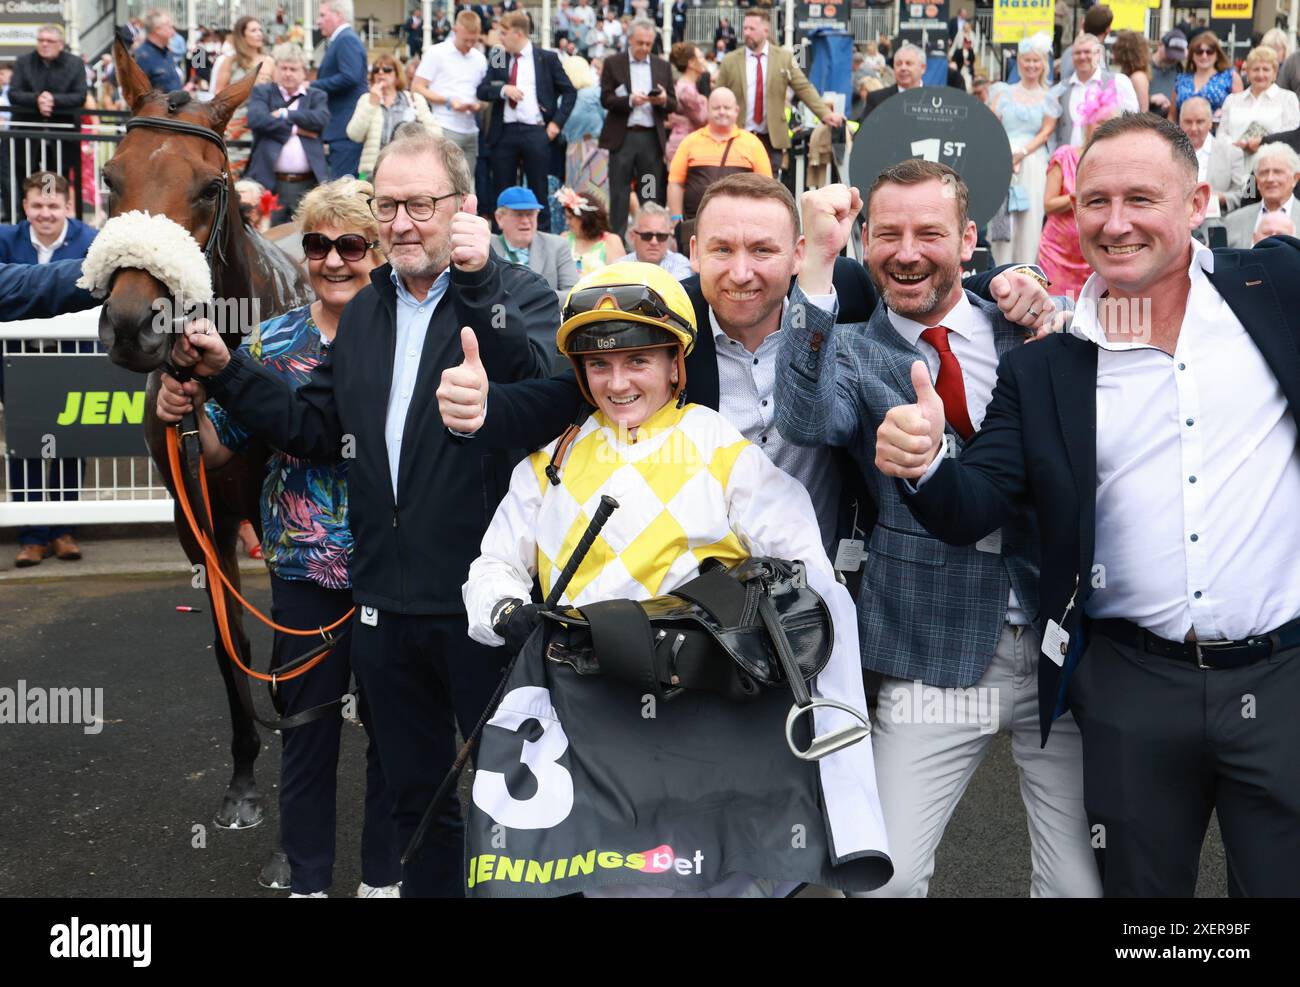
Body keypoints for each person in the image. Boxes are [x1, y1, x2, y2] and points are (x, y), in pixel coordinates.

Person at [874, 112, 1300, 898]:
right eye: (1093, 202)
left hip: (1282, 679)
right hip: (1131, 687)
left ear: (1199, 199)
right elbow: (975, 505)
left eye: (1142, 197)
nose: (1115, 222)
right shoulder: (1044, 365)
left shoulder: (1275, 287)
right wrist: (928, 460)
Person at [154, 129, 549, 897]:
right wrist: (227, 372)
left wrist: (480, 286)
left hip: (478, 597)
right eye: (390, 205)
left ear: (461, 209)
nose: (401, 222)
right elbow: (310, 426)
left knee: (507, 794)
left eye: (419, 206)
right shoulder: (365, 314)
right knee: (415, 794)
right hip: (376, 601)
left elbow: (544, 390)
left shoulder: (512, 290)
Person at [462, 262, 890, 897]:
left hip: (701, 713)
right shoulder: (552, 458)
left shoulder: (718, 446)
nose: (617, 382)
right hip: (584, 711)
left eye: (637, 361)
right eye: (599, 366)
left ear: (674, 364)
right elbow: (494, 563)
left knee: (707, 885)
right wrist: (504, 611)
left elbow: (807, 572)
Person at [437, 172, 1055, 559]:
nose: (741, 271)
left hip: (816, 587)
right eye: (722, 249)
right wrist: (485, 410)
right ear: (692, 253)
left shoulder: (843, 298)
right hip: (683, 584)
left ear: (798, 256)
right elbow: (572, 391)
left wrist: (1018, 279)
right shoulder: (661, 327)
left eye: (762, 250)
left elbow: (932, 280)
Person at [773, 169, 1098, 899]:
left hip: (1061, 653)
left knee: (1081, 886)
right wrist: (817, 267)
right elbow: (803, 417)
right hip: (932, 649)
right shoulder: (851, 350)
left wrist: (1034, 285)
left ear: (970, 240)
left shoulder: (1030, 324)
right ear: (865, 240)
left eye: (929, 233)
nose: (907, 252)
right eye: (887, 234)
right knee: (880, 882)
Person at [157, 177, 400, 899]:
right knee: (305, 731)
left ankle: (384, 879)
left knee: (394, 733)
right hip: (301, 567)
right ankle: (308, 881)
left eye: (350, 245)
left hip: (396, 568)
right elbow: (223, 446)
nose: (332, 260)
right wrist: (184, 405)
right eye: (318, 245)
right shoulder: (269, 339)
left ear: (377, 251)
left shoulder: (409, 332)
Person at [0, 170, 97, 568]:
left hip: (70, 358)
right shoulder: (5, 240)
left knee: (70, 442)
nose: (45, 213)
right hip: (17, 360)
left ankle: (62, 530)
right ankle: (32, 536)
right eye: (37, 205)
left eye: (53, 205)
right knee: (24, 444)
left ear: (68, 206)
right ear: (25, 207)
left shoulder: (91, 242)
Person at [714, 9, 843, 179]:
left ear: (766, 31)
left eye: (751, 29)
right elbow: (717, 95)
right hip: (738, 135)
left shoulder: (783, 58)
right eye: (745, 28)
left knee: (767, 188)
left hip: (771, 137)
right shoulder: (730, 60)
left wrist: (825, 114)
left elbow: (803, 87)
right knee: (738, 184)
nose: (746, 33)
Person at [479, 11, 576, 234]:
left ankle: (541, 240)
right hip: (504, 132)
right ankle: (500, 244)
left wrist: (555, 125)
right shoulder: (499, 55)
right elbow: (482, 90)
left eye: (504, 33)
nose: (500, 38)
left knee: (538, 190)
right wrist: (503, 90)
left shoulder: (547, 58)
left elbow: (569, 92)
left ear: (518, 33)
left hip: (536, 131)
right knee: (502, 190)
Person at [665, 86, 770, 249]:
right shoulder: (690, 141)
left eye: (727, 108)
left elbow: (766, 187)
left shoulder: (752, 143)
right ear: (707, 110)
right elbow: (675, 183)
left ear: (736, 111)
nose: (722, 112)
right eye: (716, 108)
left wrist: (761, 221)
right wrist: (676, 218)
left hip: (742, 226)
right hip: (696, 225)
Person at [1038, 86, 1118, 297]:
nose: (1105, 128)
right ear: (1087, 124)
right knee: (1057, 319)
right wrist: (1081, 195)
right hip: (1058, 254)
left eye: (1110, 124)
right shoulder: (1065, 156)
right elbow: (1048, 204)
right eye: (1100, 122)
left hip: (1096, 255)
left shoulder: (1117, 165)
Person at [599, 19, 675, 238]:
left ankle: (650, 237)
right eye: (640, 42)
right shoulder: (614, 63)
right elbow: (606, 99)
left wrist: (661, 100)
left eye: (648, 44)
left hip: (651, 140)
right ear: (630, 40)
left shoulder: (662, 66)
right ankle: (617, 241)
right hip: (623, 138)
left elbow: (673, 102)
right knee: (619, 193)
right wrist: (630, 100)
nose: (644, 47)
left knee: (649, 193)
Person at [989, 34, 1059, 267]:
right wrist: (1005, 152)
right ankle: (999, 270)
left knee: (1030, 220)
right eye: (1026, 60)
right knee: (1002, 219)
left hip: (1033, 161)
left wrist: (1022, 152)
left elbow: (1046, 130)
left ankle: (1027, 269)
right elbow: (991, 124)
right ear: (1018, 62)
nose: (1031, 65)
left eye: (1036, 61)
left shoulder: (1049, 97)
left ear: (1043, 65)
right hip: (1003, 160)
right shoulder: (1002, 92)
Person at [246, 45, 331, 225]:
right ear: (276, 70)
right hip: (271, 183)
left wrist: (285, 114)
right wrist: (297, 130)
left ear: (304, 73)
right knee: (270, 238)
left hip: (308, 184)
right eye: (283, 68)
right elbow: (256, 119)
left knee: (307, 237)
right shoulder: (263, 93)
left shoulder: (316, 96)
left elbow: (321, 119)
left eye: (293, 69)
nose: (288, 73)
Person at [5, 24, 87, 198]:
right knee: (26, 186)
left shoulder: (75, 63)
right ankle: (24, 222)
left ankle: (54, 219)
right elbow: (14, 94)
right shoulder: (23, 62)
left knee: (56, 187)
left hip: (62, 138)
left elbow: (80, 96)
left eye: (50, 41)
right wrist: (37, 100)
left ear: (60, 44)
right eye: (41, 40)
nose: (44, 44)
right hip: (27, 136)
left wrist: (53, 100)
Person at [412, 11, 487, 189]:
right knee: (443, 185)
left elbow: (484, 95)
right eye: (466, 40)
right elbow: (417, 87)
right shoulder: (436, 52)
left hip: (471, 129)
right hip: (444, 126)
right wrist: (448, 101)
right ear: (455, 30)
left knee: (466, 187)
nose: (469, 45)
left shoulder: (480, 58)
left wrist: (479, 105)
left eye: (473, 40)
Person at [347, 53, 440, 181]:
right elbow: (354, 135)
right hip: (372, 172)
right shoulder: (366, 100)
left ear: (397, 75)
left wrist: (415, 133)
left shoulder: (414, 99)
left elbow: (436, 133)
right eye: (375, 70)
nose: (380, 73)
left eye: (387, 70)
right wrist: (372, 103)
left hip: (409, 169)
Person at [491, 184, 579, 307]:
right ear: (499, 218)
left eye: (530, 214)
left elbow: (574, 295)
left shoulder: (557, 246)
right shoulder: (487, 246)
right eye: (518, 214)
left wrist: (535, 296)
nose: (526, 221)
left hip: (543, 322)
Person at [1217, 47, 1300, 175]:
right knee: (1240, 194)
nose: (1260, 74)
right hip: (1235, 168)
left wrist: (1262, 142)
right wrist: (1238, 145)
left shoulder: (1288, 99)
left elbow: (1291, 133)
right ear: (1248, 73)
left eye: (1266, 69)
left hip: (1273, 169)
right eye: (1255, 69)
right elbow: (1221, 135)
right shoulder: (1232, 100)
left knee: (1253, 194)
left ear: (1275, 73)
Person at [1049, 33, 1138, 150]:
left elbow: (1132, 122)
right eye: (1077, 53)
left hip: (1105, 157)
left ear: (1098, 54)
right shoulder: (1061, 88)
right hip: (1068, 162)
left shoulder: (1118, 82)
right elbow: (1052, 133)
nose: (1082, 57)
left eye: (1087, 52)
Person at [312, 0, 369, 179]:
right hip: (341, 129)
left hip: (346, 129)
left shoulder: (346, 40)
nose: (318, 21)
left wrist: (312, 86)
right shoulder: (342, 40)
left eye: (322, 15)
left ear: (338, 15)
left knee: (342, 191)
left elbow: (350, 77)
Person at [212, 16, 274, 179]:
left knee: (260, 173)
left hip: (262, 124)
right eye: (253, 30)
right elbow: (219, 93)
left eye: (260, 30)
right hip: (236, 126)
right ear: (242, 34)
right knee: (233, 172)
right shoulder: (230, 62)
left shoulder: (269, 62)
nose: (259, 34)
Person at [1179, 96, 1247, 219]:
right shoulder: (1171, 153)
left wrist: (1221, 198)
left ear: (1210, 123)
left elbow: (1245, 194)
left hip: (1217, 223)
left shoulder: (1232, 154)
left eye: (1200, 122)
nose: (1194, 128)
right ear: (1180, 123)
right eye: (1188, 122)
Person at [1221, 143, 1300, 248]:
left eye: (1278, 172)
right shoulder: (1232, 221)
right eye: (1264, 173)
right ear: (1257, 181)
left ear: (1295, 178)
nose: (1270, 179)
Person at [1168, 30, 1241, 123]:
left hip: (1218, 135)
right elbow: (1171, 117)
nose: (1204, 56)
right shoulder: (1181, 80)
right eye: (1199, 51)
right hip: (1183, 135)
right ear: (1192, 55)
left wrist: (1225, 113)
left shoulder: (1230, 77)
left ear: (1217, 54)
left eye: (1209, 51)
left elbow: (1239, 113)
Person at [613, 201, 691, 279]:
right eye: (647, 236)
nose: (654, 242)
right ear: (632, 236)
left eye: (661, 236)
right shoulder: (618, 268)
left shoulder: (680, 264)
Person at [556, 184, 624, 272]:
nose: (567, 222)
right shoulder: (564, 239)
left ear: (584, 218)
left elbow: (620, 276)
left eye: (570, 218)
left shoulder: (611, 241)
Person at [666, 43, 709, 166]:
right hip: (684, 146)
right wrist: (706, 102)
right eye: (700, 57)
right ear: (691, 63)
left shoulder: (686, 86)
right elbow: (701, 119)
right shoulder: (686, 90)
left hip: (687, 144)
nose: (703, 61)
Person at [856, 43, 923, 122]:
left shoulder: (934, 100)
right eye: (899, 64)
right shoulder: (876, 99)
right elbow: (865, 131)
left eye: (909, 63)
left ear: (922, 68)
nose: (903, 68)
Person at [1056, 3, 1112, 84]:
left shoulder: (1069, 51)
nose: (1082, 56)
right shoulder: (1096, 52)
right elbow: (1104, 84)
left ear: (1083, 25)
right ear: (1108, 29)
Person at [133, 11, 186, 92]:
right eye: (169, 26)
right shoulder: (141, 57)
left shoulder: (167, 53)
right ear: (157, 29)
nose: (173, 31)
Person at [1109, 30, 1151, 112]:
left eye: (1117, 47)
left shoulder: (1138, 77)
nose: (1113, 51)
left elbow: (1143, 112)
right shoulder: (1128, 74)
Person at [1149, 30, 1187, 116]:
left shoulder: (1180, 69)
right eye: (1170, 54)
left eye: (1177, 56)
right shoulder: (1142, 67)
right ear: (1160, 45)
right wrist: (1150, 99)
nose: (1173, 59)